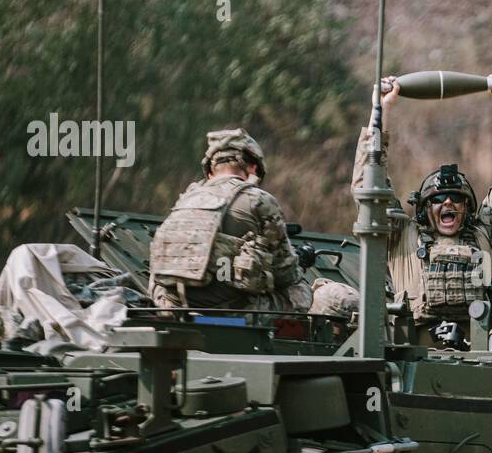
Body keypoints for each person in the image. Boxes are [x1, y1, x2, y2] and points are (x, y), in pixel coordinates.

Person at [354, 75, 492, 345]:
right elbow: (368, 182)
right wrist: (381, 109)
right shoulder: (400, 235)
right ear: (425, 209)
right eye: (439, 199)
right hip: (413, 358)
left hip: (481, 358)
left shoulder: (487, 232)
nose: (448, 203)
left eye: (455, 199)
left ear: (467, 208)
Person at [150, 128, 357, 317]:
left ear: (210, 170)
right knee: (299, 289)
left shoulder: (186, 198)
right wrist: (299, 260)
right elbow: (286, 273)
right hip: (228, 310)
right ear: (253, 168)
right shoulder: (258, 200)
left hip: (171, 306)